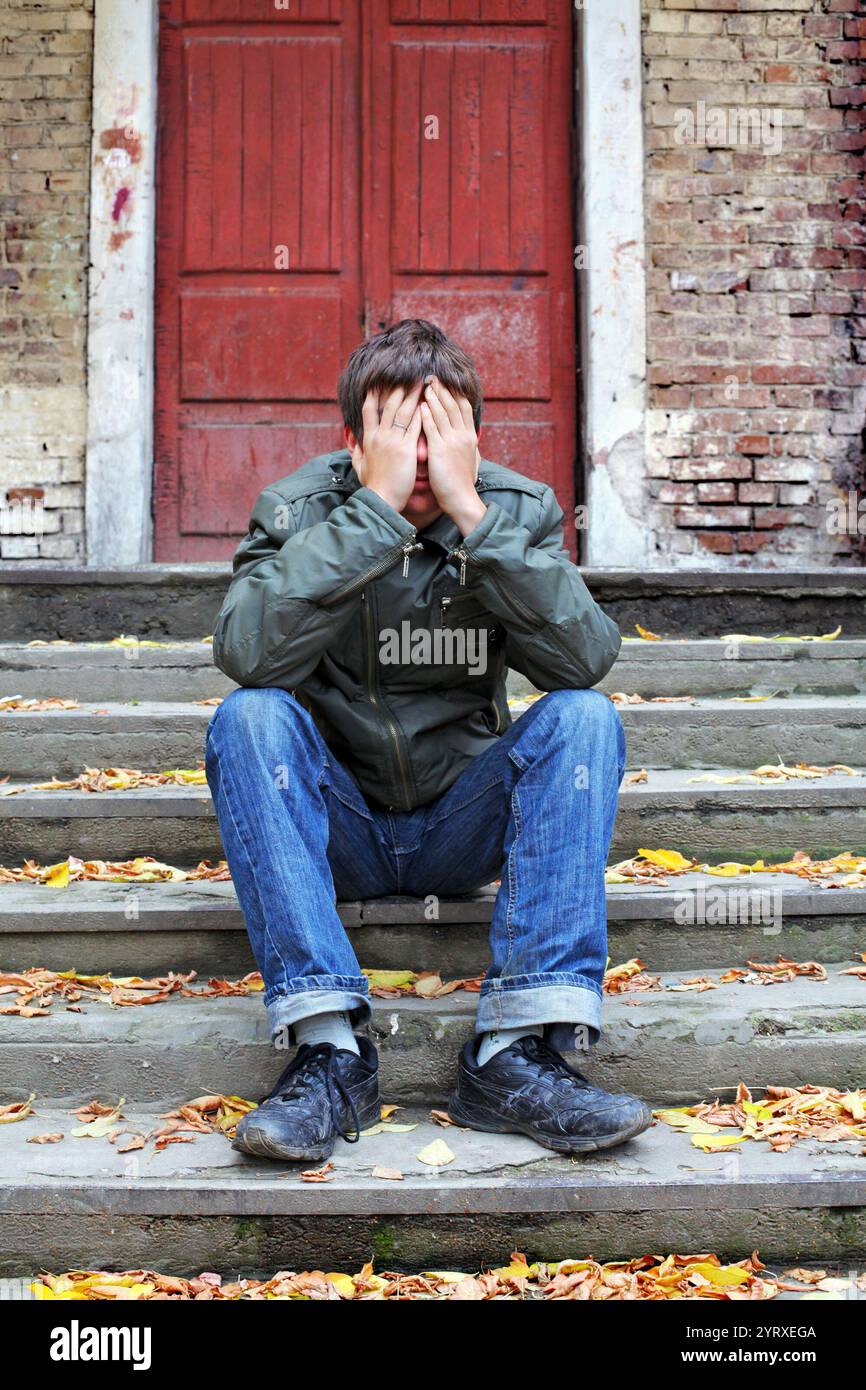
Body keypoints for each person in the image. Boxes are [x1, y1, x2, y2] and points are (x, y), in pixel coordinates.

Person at [205, 318, 652, 1163]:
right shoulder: (300, 509)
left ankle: (515, 1052)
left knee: (583, 718)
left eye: (437, 432)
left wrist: (476, 519)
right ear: (353, 440)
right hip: (340, 825)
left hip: (460, 819)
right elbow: (248, 655)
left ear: (471, 437)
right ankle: (330, 1050)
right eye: (395, 434)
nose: (418, 457)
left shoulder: (513, 509)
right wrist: (372, 515)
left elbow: (583, 659)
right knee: (250, 715)